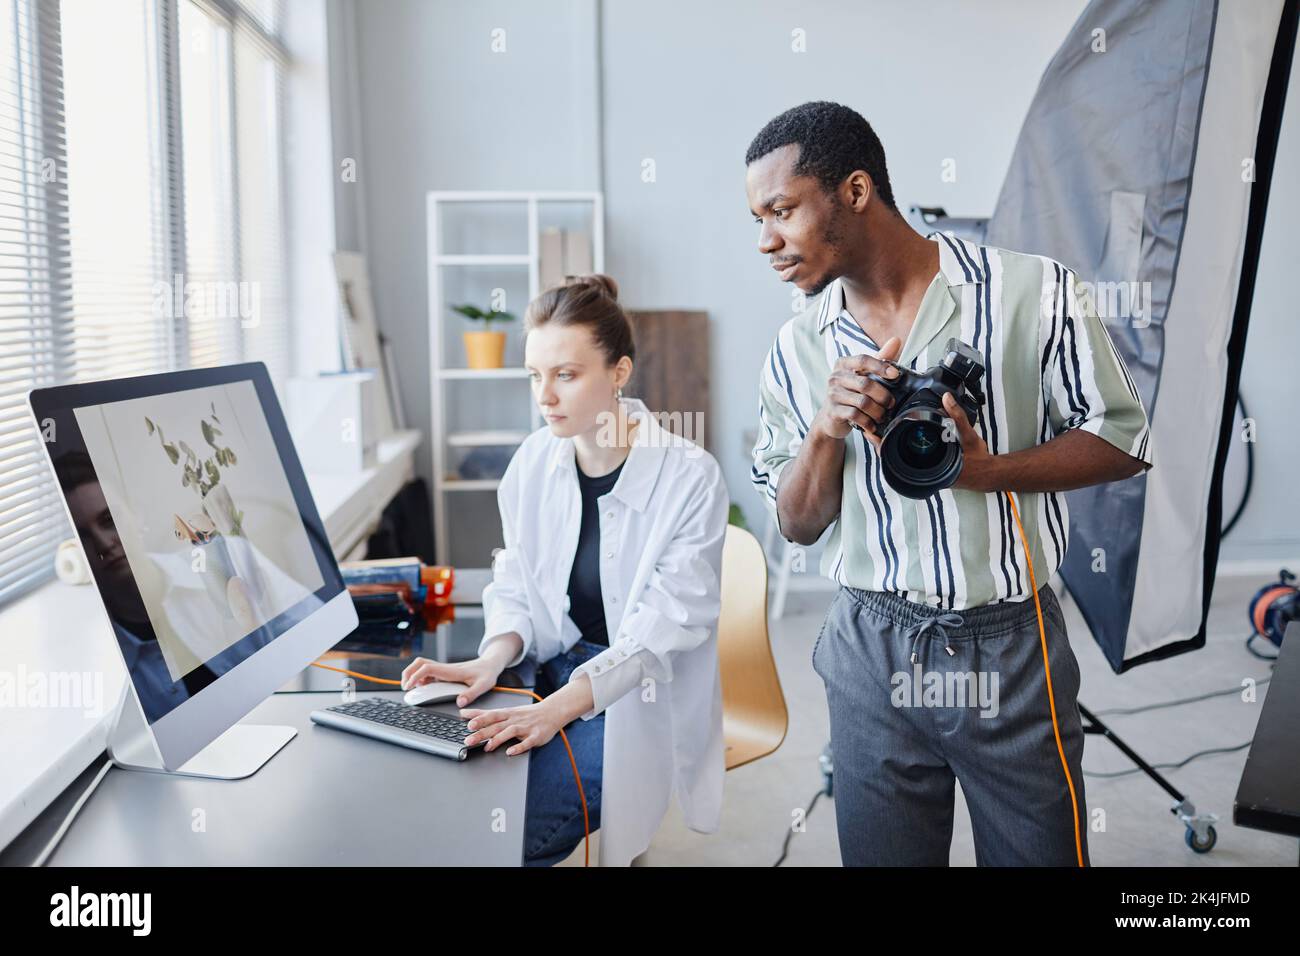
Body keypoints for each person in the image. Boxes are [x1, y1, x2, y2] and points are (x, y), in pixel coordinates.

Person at [747, 101, 1154, 866]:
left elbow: (1122, 440)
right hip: (869, 650)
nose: (766, 240)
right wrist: (826, 430)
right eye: (758, 219)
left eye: (782, 211)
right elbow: (797, 524)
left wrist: (983, 471)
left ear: (855, 191)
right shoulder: (796, 348)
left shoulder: (1033, 292)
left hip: (1010, 647)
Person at [402, 274, 729, 866]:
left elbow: (661, 632)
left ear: (619, 372)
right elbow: (516, 581)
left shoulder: (690, 477)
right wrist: (493, 655)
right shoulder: (533, 462)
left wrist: (556, 710)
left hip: (636, 693)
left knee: (511, 833)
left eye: (566, 375)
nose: (544, 396)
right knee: (455, 793)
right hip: (548, 661)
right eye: (535, 375)